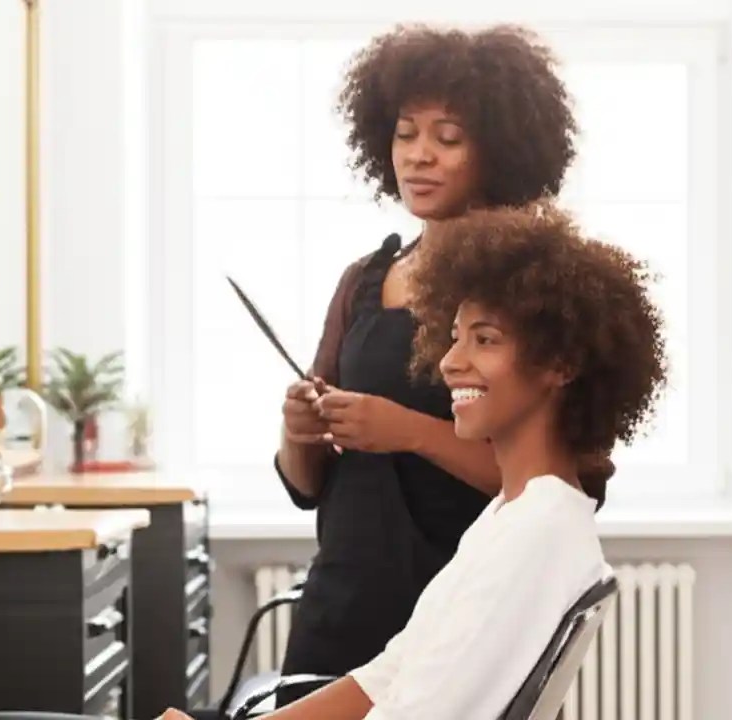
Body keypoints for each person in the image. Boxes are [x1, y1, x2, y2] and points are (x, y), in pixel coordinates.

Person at [161, 203, 667, 719]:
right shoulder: (514, 514)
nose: (450, 361)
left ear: (561, 364)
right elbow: (389, 674)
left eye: (485, 340)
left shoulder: (536, 532)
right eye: (455, 337)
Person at [271, 22, 592, 704]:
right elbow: (308, 486)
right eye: (405, 134)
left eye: (448, 138)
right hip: (344, 607)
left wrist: (408, 431)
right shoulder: (364, 279)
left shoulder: (531, 292)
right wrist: (299, 431)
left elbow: (564, 479)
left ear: (498, 150)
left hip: (461, 617)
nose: (419, 156)